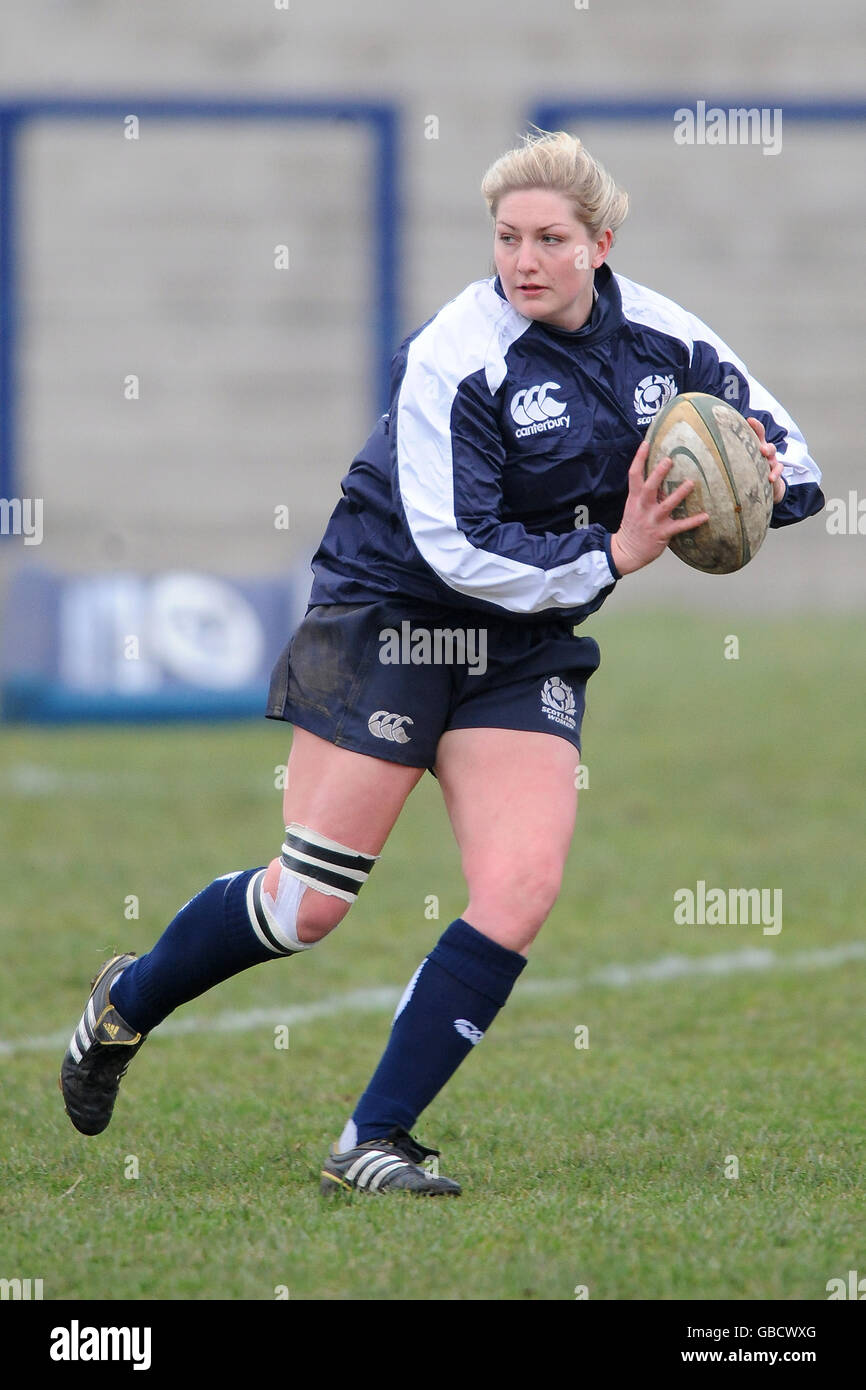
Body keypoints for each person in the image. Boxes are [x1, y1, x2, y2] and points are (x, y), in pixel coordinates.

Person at [60, 130, 824, 1196]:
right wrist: (615, 549)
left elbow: (792, 460)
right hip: (396, 616)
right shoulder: (452, 354)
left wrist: (733, 497)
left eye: (550, 239)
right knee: (309, 907)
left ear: (598, 244)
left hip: (523, 641)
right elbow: (450, 546)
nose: (523, 258)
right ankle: (125, 1004)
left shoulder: (663, 339)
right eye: (506, 237)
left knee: (519, 886)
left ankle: (370, 1139)